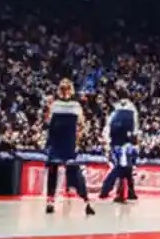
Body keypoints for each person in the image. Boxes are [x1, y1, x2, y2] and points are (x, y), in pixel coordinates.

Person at [43, 78, 95, 216]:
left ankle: (51, 201)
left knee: (58, 172)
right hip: (65, 143)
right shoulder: (74, 105)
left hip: (61, 143)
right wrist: (77, 139)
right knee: (72, 172)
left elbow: (48, 122)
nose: (65, 91)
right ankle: (86, 202)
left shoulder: (58, 105)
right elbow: (82, 125)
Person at [98, 88, 139, 203]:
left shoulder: (114, 108)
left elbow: (108, 125)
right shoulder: (132, 109)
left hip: (115, 142)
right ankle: (108, 190)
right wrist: (135, 142)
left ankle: (125, 192)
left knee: (122, 167)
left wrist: (106, 139)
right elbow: (135, 128)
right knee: (123, 167)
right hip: (127, 143)